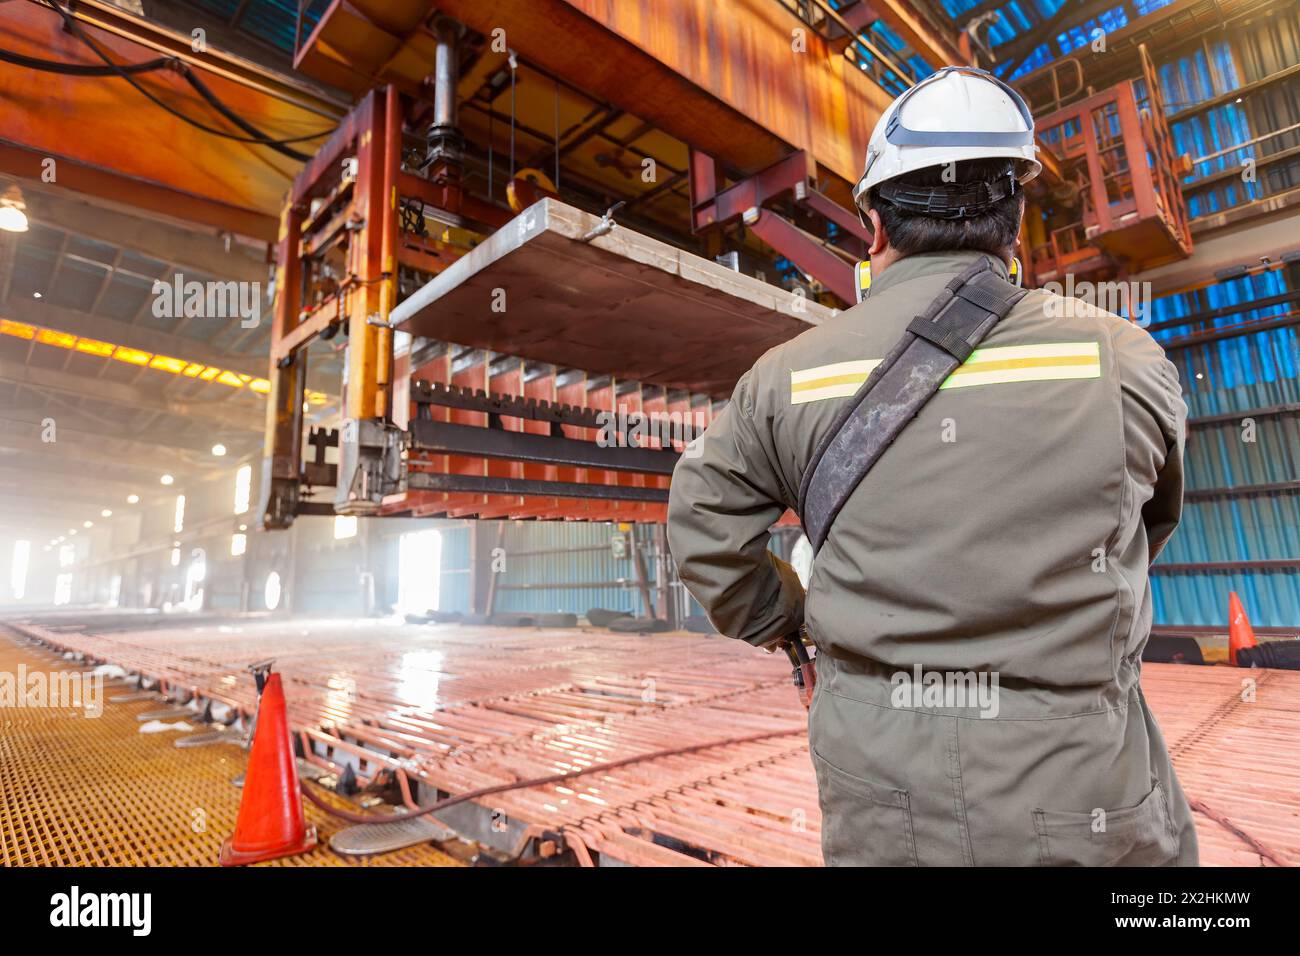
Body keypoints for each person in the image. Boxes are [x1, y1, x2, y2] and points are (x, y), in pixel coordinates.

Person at [667, 67, 1197, 866]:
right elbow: (1145, 526)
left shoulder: (784, 376)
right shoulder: (1123, 359)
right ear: (1013, 222)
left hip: (879, 785)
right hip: (1082, 782)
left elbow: (703, 531)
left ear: (874, 226)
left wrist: (791, 625)